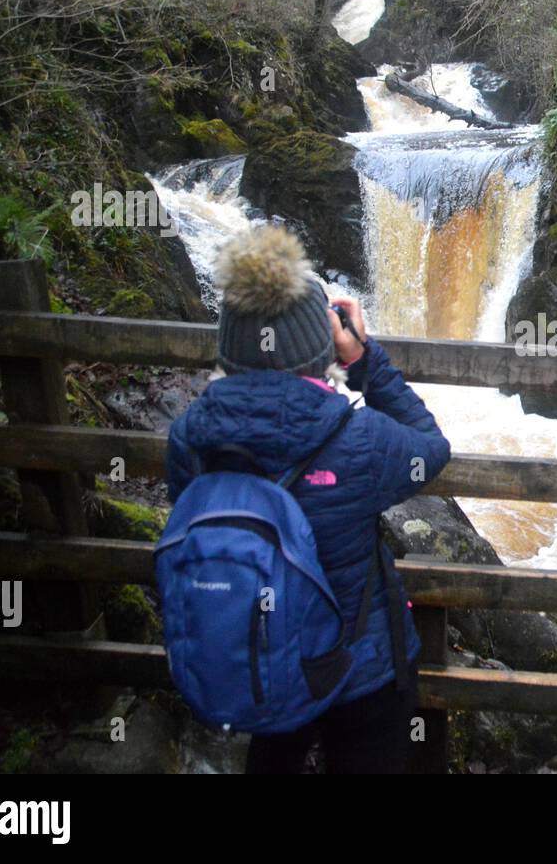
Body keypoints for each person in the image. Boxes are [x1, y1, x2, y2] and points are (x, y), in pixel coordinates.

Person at [164, 226, 451, 773]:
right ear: (323, 348)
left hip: (259, 663)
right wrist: (364, 359)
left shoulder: (188, 438)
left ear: (228, 348)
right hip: (359, 670)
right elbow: (431, 447)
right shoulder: (358, 437)